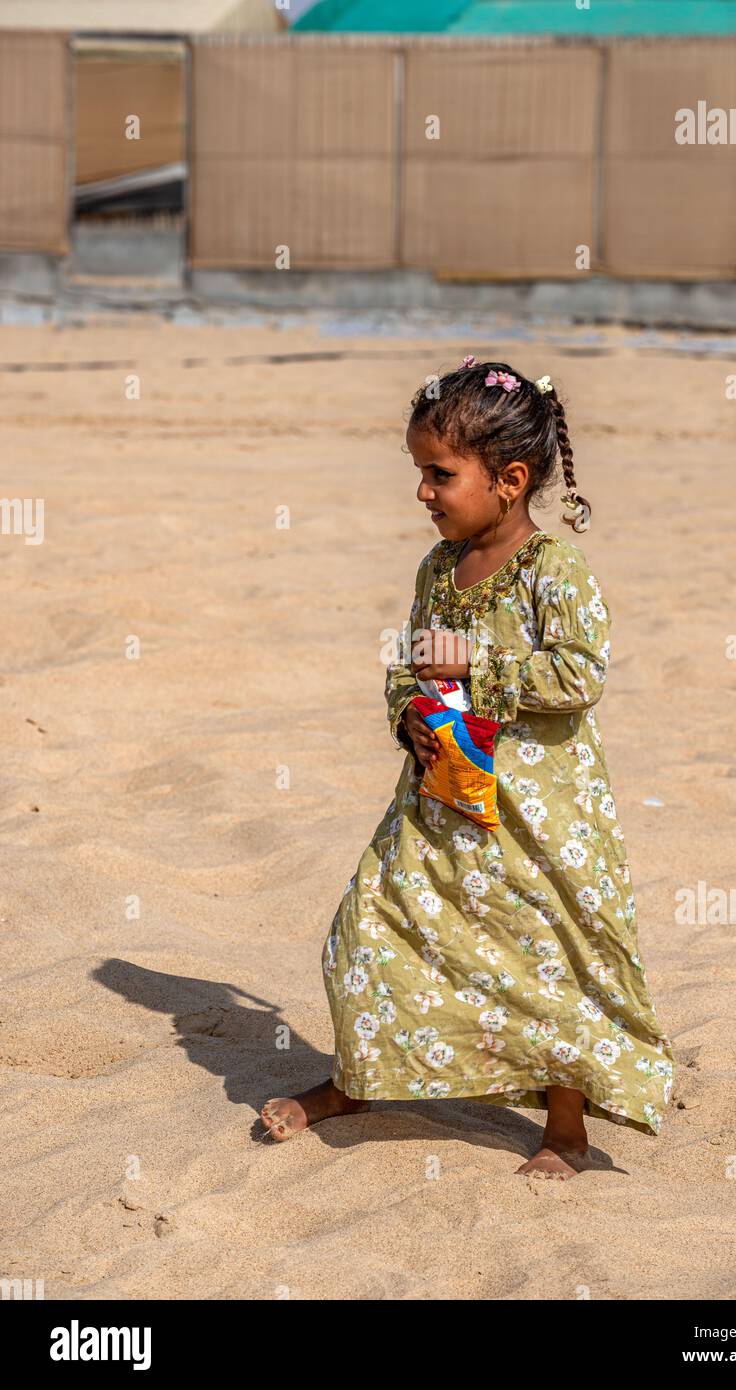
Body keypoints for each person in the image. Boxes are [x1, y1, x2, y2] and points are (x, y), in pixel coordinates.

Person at [261, 358, 675, 1178]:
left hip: (535, 812)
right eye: (419, 473)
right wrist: (408, 712)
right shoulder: (435, 571)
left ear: (510, 479)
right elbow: (411, 663)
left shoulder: (551, 570)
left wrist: (479, 670)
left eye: (439, 475)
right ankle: (359, 1080)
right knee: (366, 931)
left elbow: (580, 675)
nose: (422, 493)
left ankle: (565, 1131)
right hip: (439, 794)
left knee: (545, 956)